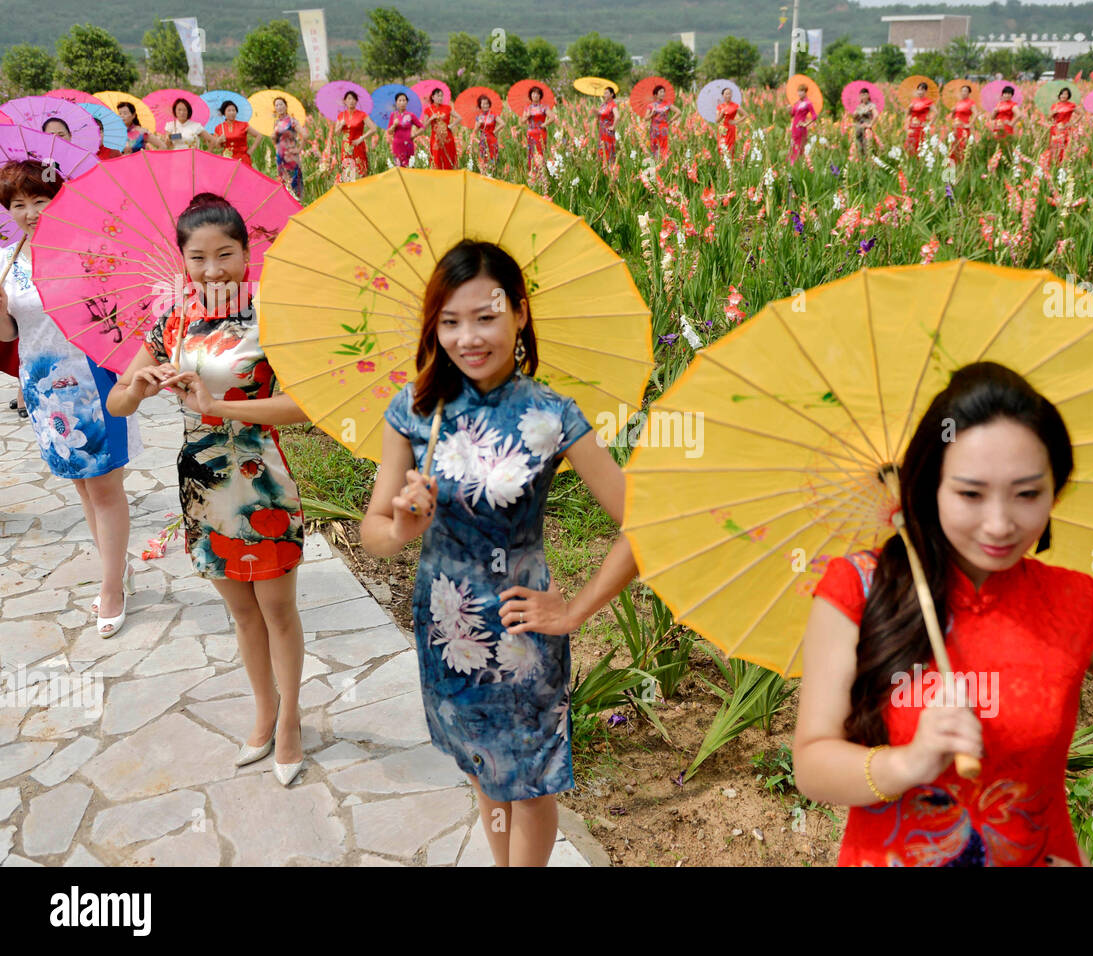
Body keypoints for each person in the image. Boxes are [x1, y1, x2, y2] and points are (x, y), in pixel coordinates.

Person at [791, 362, 1093, 866]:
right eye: (970, 493)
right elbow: (813, 764)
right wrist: (909, 762)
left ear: (1056, 487)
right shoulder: (859, 587)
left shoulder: (1075, 605)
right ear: (930, 486)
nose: (999, 523)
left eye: (1027, 493)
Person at [359, 239, 638, 866]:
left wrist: (572, 612)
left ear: (518, 313)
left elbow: (643, 524)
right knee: (482, 768)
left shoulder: (551, 416)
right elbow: (373, 533)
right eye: (450, 322)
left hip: (519, 633)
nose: (468, 338)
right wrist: (404, 524)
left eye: (485, 317)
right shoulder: (416, 410)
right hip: (445, 626)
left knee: (531, 781)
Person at [106, 193, 310, 786]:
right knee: (241, 613)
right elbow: (117, 401)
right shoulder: (171, 318)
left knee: (277, 611)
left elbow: (302, 404)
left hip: (259, 478)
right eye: (198, 257)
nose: (213, 269)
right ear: (182, 260)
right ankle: (263, 712)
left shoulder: (271, 313)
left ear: (248, 253)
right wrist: (139, 384)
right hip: (200, 480)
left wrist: (217, 403)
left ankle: (292, 720)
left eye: (226, 254)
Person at [0, 159, 141, 637]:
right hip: (41, 384)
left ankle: (111, 588)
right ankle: (114, 567)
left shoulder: (88, 251)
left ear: (58, 201)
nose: (30, 212)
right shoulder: (6, 260)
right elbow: (9, 333)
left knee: (103, 486)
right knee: (82, 485)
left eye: (40, 200)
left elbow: (118, 311)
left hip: (90, 378)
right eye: (18, 204)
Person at [335, 89, 378, 181]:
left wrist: (361, 138)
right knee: (348, 175)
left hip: (358, 146)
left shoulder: (362, 114)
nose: (351, 101)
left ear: (357, 101)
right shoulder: (341, 116)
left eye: (354, 99)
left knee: (361, 172)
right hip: (346, 148)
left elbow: (373, 129)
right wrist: (341, 125)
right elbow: (337, 133)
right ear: (345, 101)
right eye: (349, 98)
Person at [271, 97, 303, 200]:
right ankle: (286, 205)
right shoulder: (276, 123)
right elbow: (275, 140)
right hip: (280, 157)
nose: (279, 107)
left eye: (281, 104)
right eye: (277, 105)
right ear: (275, 108)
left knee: (294, 180)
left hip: (291, 156)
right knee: (283, 181)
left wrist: (298, 149)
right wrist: (275, 145)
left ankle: (298, 204)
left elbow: (305, 135)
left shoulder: (292, 121)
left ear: (286, 106)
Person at [213, 100, 261, 168]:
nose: (232, 112)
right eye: (229, 110)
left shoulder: (243, 125)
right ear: (224, 112)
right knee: (229, 178)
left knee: (244, 177)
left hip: (243, 158)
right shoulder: (219, 127)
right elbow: (218, 147)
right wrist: (219, 140)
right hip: (227, 159)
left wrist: (251, 150)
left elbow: (259, 135)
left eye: (234, 110)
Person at [387, 91, 425, 168]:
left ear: (407, 102)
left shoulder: (411, 115)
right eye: (400, 100)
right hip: (397, 145)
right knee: (398, 167)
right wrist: (394, 125)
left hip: (408, 144)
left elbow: (422, 127)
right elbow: (389, 132)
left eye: (404, 100)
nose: (402, 103)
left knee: (409, 166)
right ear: (396, 103)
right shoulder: (393, 115)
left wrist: (414, 135)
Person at [420, 89, 455, 170]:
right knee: (436, 159)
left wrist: (451, 125)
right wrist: (431, 119)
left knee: (448, 159)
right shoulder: (428, 110)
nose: (440, 98)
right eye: (438, 96)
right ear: (433, 97)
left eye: (441, 96)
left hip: (448, 138)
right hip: (436, 139)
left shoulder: (447, 108)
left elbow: (459, 118)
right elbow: (424, 127)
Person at [522, 85, 553, 173]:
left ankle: (542, 173)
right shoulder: (527, 108)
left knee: (541, 151)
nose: (535, 95)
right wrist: (527, 116)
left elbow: (552, 117)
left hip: (541, 132)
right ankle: (532, 172)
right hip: (531, 133)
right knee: (531, 152)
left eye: (537, 94)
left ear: (540, 96)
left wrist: (545, 124)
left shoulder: (544, 107)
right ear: (530, 95)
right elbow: (522, 121)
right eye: (533, 93)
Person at [645, 84, 680, 162]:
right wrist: (652, 114)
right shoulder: (650, 106)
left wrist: (670, 121)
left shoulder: (667, 104)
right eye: (660, 92)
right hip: (654, 129)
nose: (663, 94)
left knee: (664, 147)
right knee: (654, 147)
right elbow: (646, 118)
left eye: (664, 92)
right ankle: (656, 164)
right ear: (655, 94)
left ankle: (664, 165)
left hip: (663, 128)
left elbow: (678, 112)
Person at [715, 85, 748, 160]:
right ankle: (723, 167)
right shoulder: (720, 107)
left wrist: (736, 122)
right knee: (721, 148)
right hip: (722, 130)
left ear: (732, 95)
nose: (728, 95)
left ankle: (730, 167)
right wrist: (721, 114)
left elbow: (746, 115)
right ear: (723, 95)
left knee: (730, 148)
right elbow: (717, 120)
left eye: (729, 93)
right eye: (726, 94)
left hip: (730, 129)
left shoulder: (735, 106)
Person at [1046, 86, 1077, 165]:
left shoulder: (1071, 105)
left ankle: (1062, 164)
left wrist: (1072, 123)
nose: (1063, 96)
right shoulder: (1055, 106)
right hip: (1055, 130)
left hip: (1065, 129)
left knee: (1063, 147)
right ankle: (1053, 164)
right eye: (1062, 94)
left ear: (1068, 96)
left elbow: (1081, 114)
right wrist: (1053, 113)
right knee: (1054, 147)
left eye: (1066, 94)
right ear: (1059, 95)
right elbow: (1049, 118)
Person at [789, 83, 817, 165]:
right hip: (794, 127)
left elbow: (814, 116)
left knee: (799, 146)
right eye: (798, 91)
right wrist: (789, 109)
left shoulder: (808, 103)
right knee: (793, 145)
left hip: (801, 128)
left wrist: (806, 124)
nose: (799, 93)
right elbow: (792, 115)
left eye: (801, 91)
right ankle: (793, 164)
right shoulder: (797, 103)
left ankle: (797, 164)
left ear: (805, 92)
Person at [472, 94, 500, 172]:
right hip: (483, 140)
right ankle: (484, 173)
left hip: (492, 139)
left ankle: (494, 173)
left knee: (493, 158)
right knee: (484, 159)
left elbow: (503, 123)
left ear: (489, 104)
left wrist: (495, 131)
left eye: (487, 103)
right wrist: (479, 124)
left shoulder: (493, 114)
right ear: (480, 105)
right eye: (483, 104)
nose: (485, 105)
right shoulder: (479, 117)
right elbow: (475, 131)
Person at [948, 85, 976, 162]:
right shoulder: (958, 103)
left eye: (965, 91)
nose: (963, 93)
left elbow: (976, 114)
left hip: (964, 128)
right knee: (954, 146)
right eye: (962, 91)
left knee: (963, 146)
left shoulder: (971, 102)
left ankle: (963, 165)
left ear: (969, 93)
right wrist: (953, 112)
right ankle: (954, 165)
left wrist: (969, 125)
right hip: (956, 128)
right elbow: (953, 116)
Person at [904, 81, 933, 154]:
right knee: (910, 145)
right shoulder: (914, 101)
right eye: (919, 89)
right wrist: (909, 108)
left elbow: (936, 112)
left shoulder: (928, 102)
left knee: (920, 144)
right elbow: (908, 113)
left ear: (925, 91)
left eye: (922, 90)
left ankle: (919, 163)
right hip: (912, 126)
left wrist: (929, 124)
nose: (920, 91)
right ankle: (911, 162)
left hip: (921, 127)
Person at [597, 87, 619, 166]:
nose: (604, 95)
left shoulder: (613, 105)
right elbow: (600, 116)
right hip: (601, 131)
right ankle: (602, 168)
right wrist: (595, 111)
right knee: (601, 149)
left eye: (606, 93)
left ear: (612, 94)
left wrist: (613, 126)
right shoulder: (603, 105)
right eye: (604, 93)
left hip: (608, 131)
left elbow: (617, 116)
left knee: (608, 149)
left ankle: (610, 168)